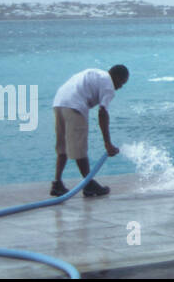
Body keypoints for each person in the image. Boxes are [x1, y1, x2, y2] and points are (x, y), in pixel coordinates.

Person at [51, 65, 128, 197]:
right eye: (122, 83)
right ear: (116, 77)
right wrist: (107, 143)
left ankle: (57, 183)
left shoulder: (97, 73)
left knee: (62, 147)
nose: (120, 87)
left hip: (59, 102)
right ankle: (88, 184)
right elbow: (102, 113)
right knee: (79, 147)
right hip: (75, 105)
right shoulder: (109, 85)